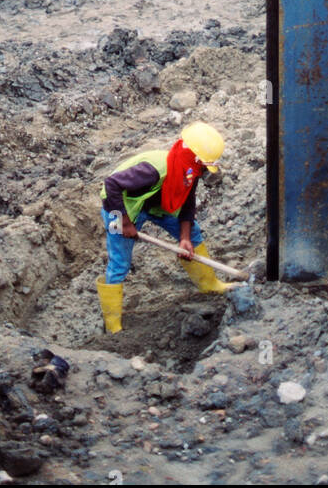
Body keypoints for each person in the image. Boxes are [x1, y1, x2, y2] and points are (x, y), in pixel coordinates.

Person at [96, 121, 235, 334]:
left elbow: (188, 202)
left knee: (192, 232)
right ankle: (113, 325)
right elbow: (111, 185)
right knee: (119, 263)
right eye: (204, 166)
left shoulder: (189, 171)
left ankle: (210, 284)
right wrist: (124, 222)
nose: (204, 171)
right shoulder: (153, 170)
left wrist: (185, 238)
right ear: (194, 158)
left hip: (155, 204)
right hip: (119, 209)